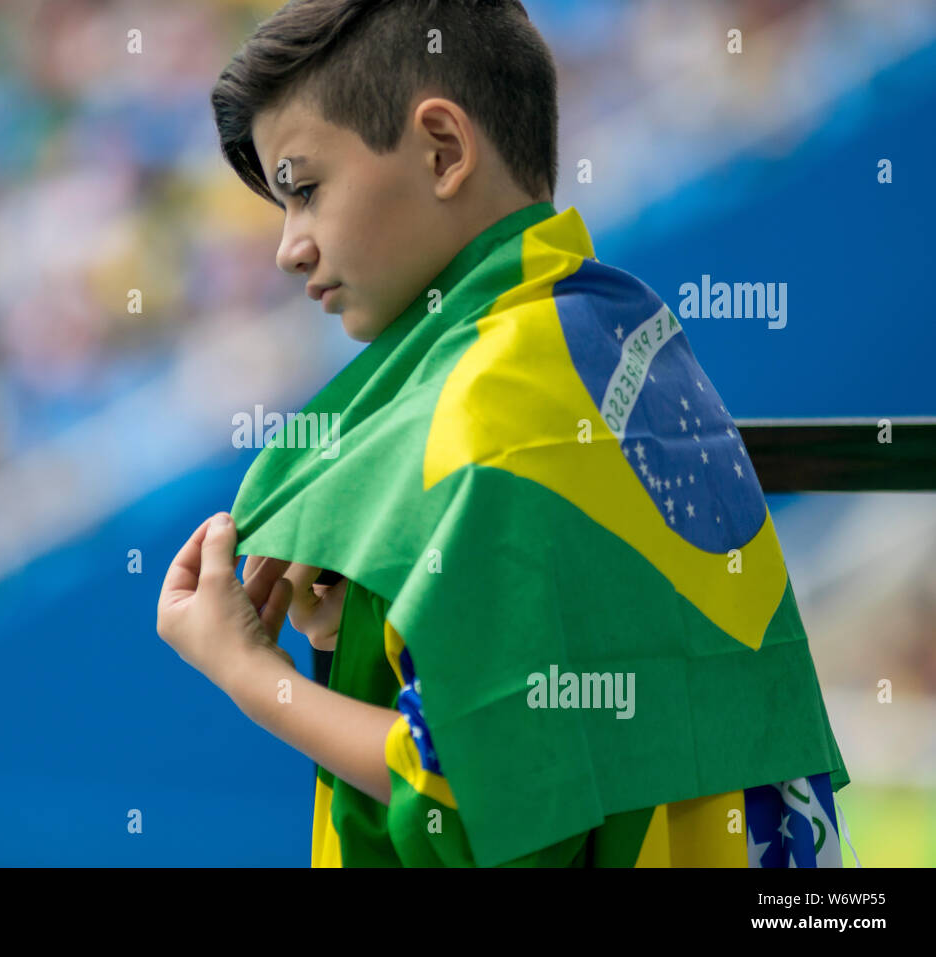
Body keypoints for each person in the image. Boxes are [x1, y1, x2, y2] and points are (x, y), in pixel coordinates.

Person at [157, 0, 849, 867]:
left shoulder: (481, 403)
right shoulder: (616, 325)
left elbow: (472, 795)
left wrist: (251, 673)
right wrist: (352, 641)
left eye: (304, 190)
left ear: (443, 149)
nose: (288, 248)